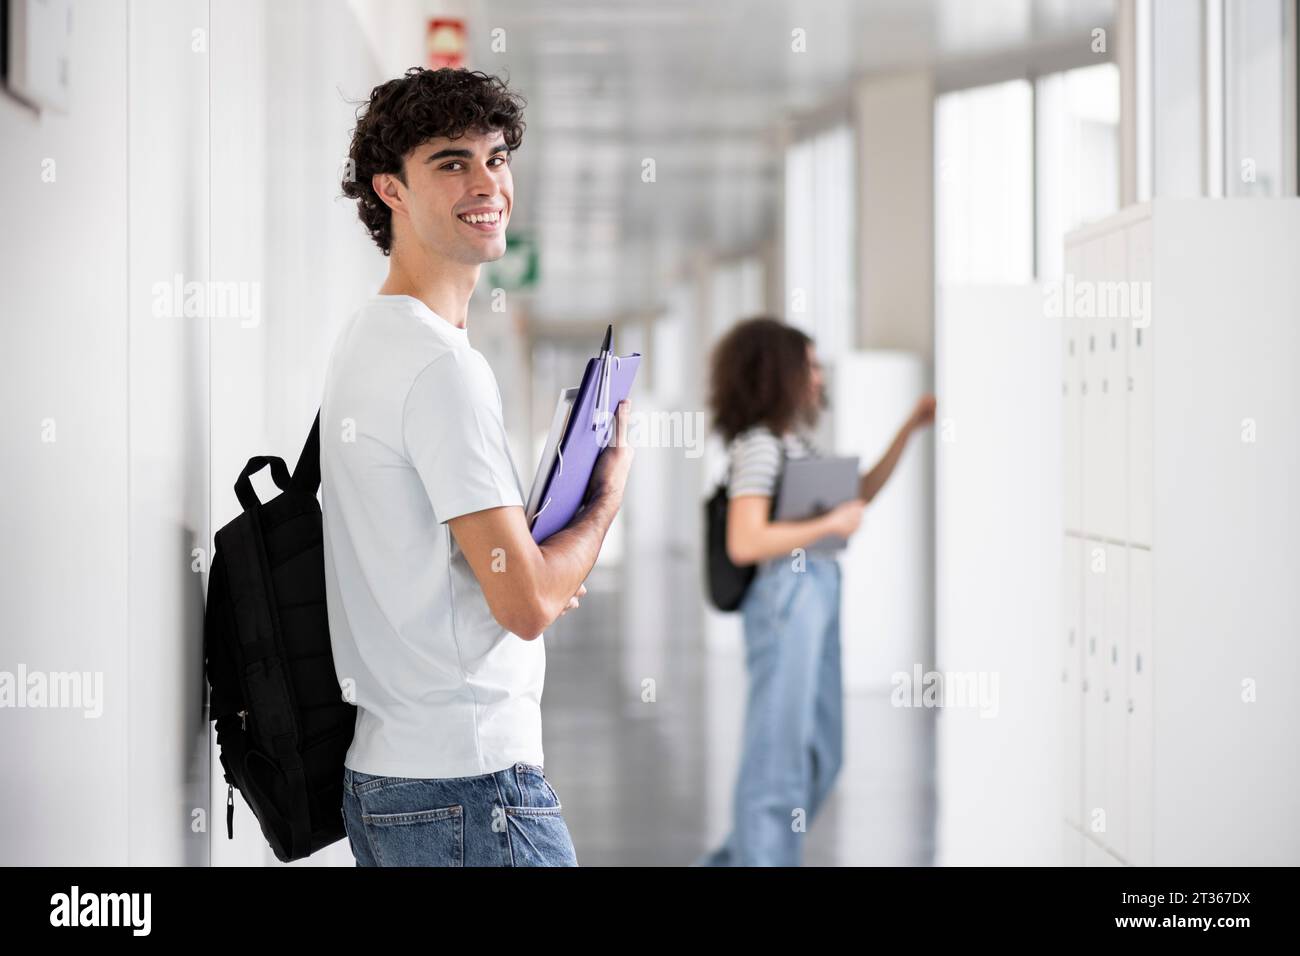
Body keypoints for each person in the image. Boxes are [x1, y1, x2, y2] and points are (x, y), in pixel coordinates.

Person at [321, 67, 632, 866]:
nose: (486, 181)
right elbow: (525, 603)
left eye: (496, 158)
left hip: (397, 779)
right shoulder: (440, 370)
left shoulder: (369, 338)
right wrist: (602, 504)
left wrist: (537, 559)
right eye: (451, 163)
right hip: (471, 789)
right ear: (389, 189)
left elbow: (473, 568)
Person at [697, 317, 935, 866]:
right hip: (786, 599)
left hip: (816, 591)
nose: (819, 377)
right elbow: (746, 540)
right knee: (777, 760)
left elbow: (861, 494)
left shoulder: (795, 442)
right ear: (779, 372)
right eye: (811, 365)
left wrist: (910, 427)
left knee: (822, 755)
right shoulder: (759, 447)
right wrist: (827, 528)